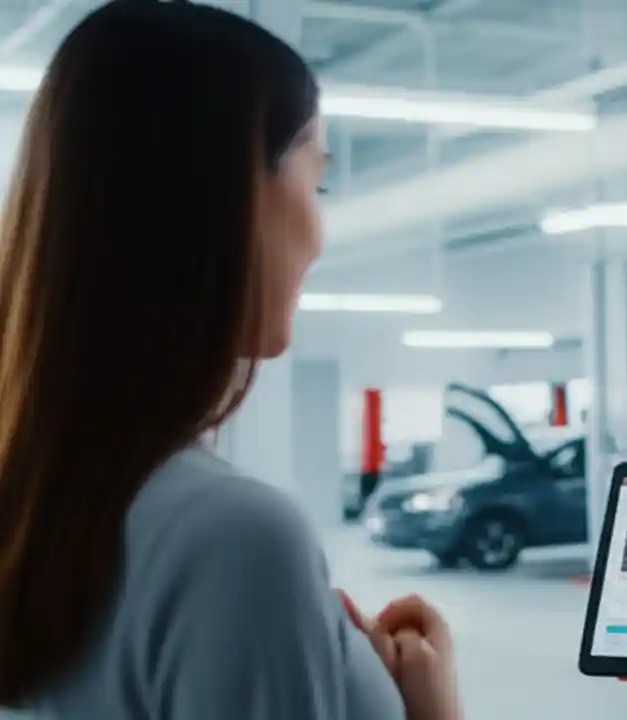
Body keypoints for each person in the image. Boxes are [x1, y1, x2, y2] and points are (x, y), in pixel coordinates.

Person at [0, 2, 460, 718]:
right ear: (234, 198)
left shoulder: (40, 510)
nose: (320, 232)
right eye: (318, 183)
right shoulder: (233, 537)